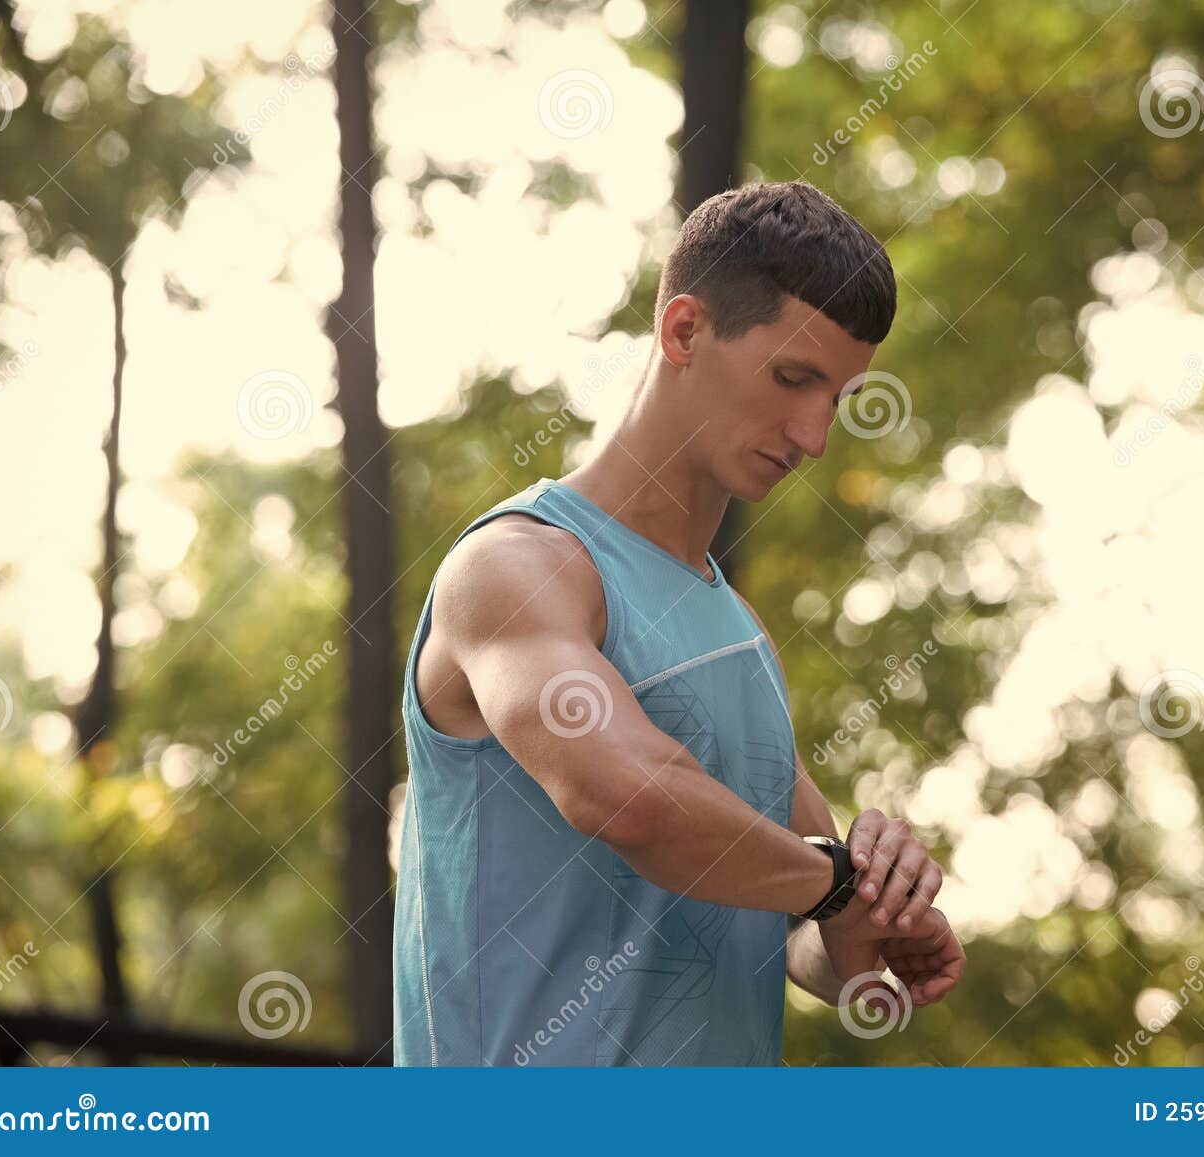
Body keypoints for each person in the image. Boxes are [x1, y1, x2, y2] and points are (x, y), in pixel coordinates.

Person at [393, 180, 964, 1066]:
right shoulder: (519, 567)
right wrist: (836, 878)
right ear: (684, 330)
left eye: (841, 398)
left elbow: (803, 935)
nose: (815, 435)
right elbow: (627, 795)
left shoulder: (739, 633)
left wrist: (878, 911)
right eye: (793, 378)